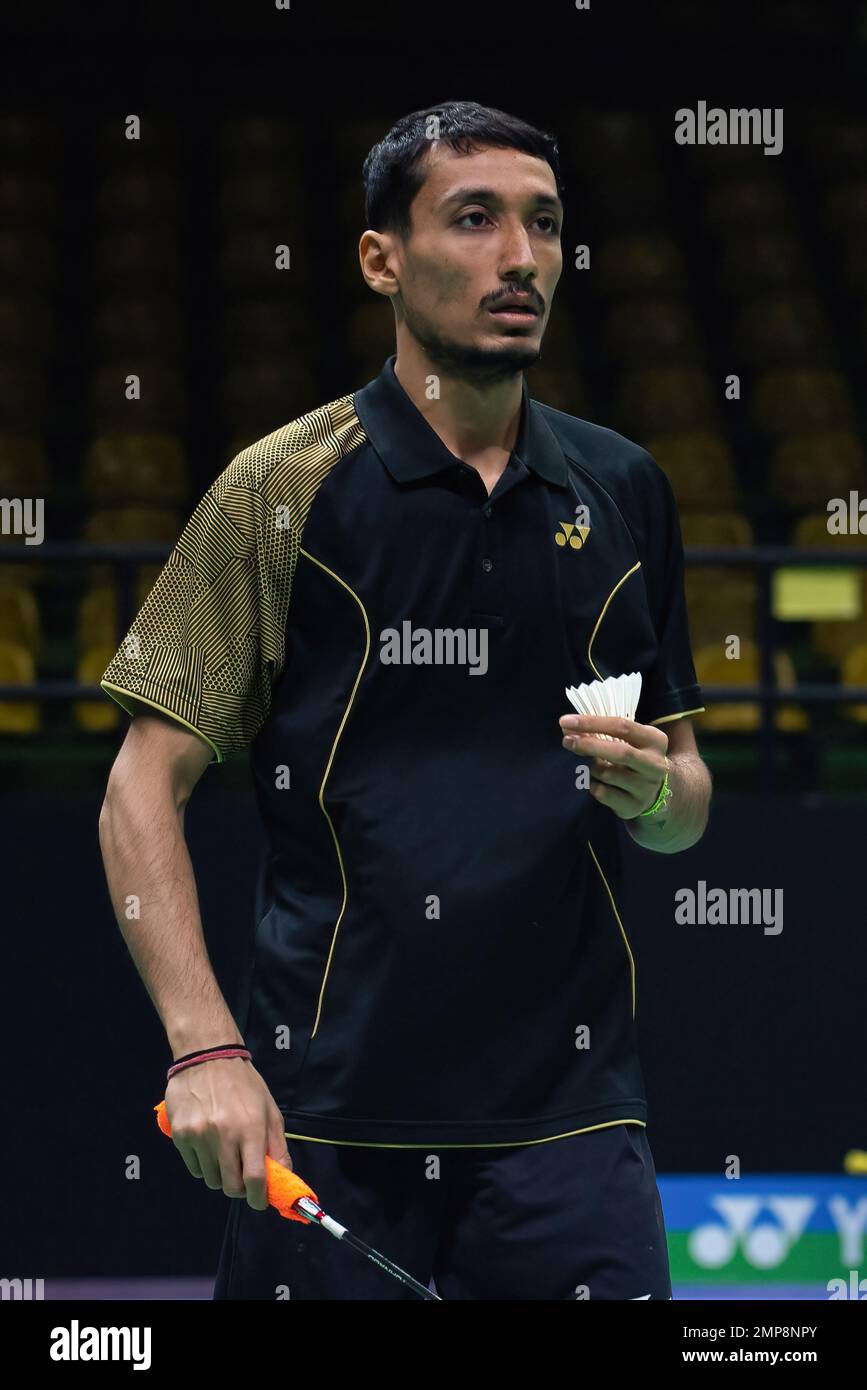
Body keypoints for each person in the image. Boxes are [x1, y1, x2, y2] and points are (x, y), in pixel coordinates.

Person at [98, 100, 712, 1300]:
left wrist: (655, 788)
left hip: (571, 1128)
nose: (520, 258)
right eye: (474, 219)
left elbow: (686, 805)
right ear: (381, 257)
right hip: (327, 1121)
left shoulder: (627, 488)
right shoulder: (278, 491)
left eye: (544, 224)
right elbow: (138, 786)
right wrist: (206, 1048)